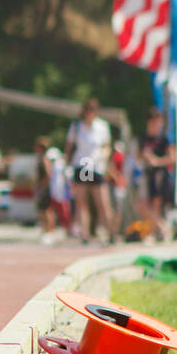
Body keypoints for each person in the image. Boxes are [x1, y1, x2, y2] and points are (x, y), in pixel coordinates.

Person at [65, 97, 115, 244]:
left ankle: (111, 232)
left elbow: (107, 146)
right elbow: (69, 147)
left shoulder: (102, 126)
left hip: (96, 166)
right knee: (82, 202)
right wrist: (66, 165)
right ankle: (84, 233)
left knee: (102, 201)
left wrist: (104, 158)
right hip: (81, 165)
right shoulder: (77, 126)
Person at [138, 106, 175, 242]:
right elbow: (138, 156)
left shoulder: (164, 138)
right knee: (142, 205)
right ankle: (163, 227)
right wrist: (145, 157)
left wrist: (157, 161)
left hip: (160, 174)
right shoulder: (144, 138)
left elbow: (172, 157)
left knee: (156, 205)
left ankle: (153, 234)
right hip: (148, 174)